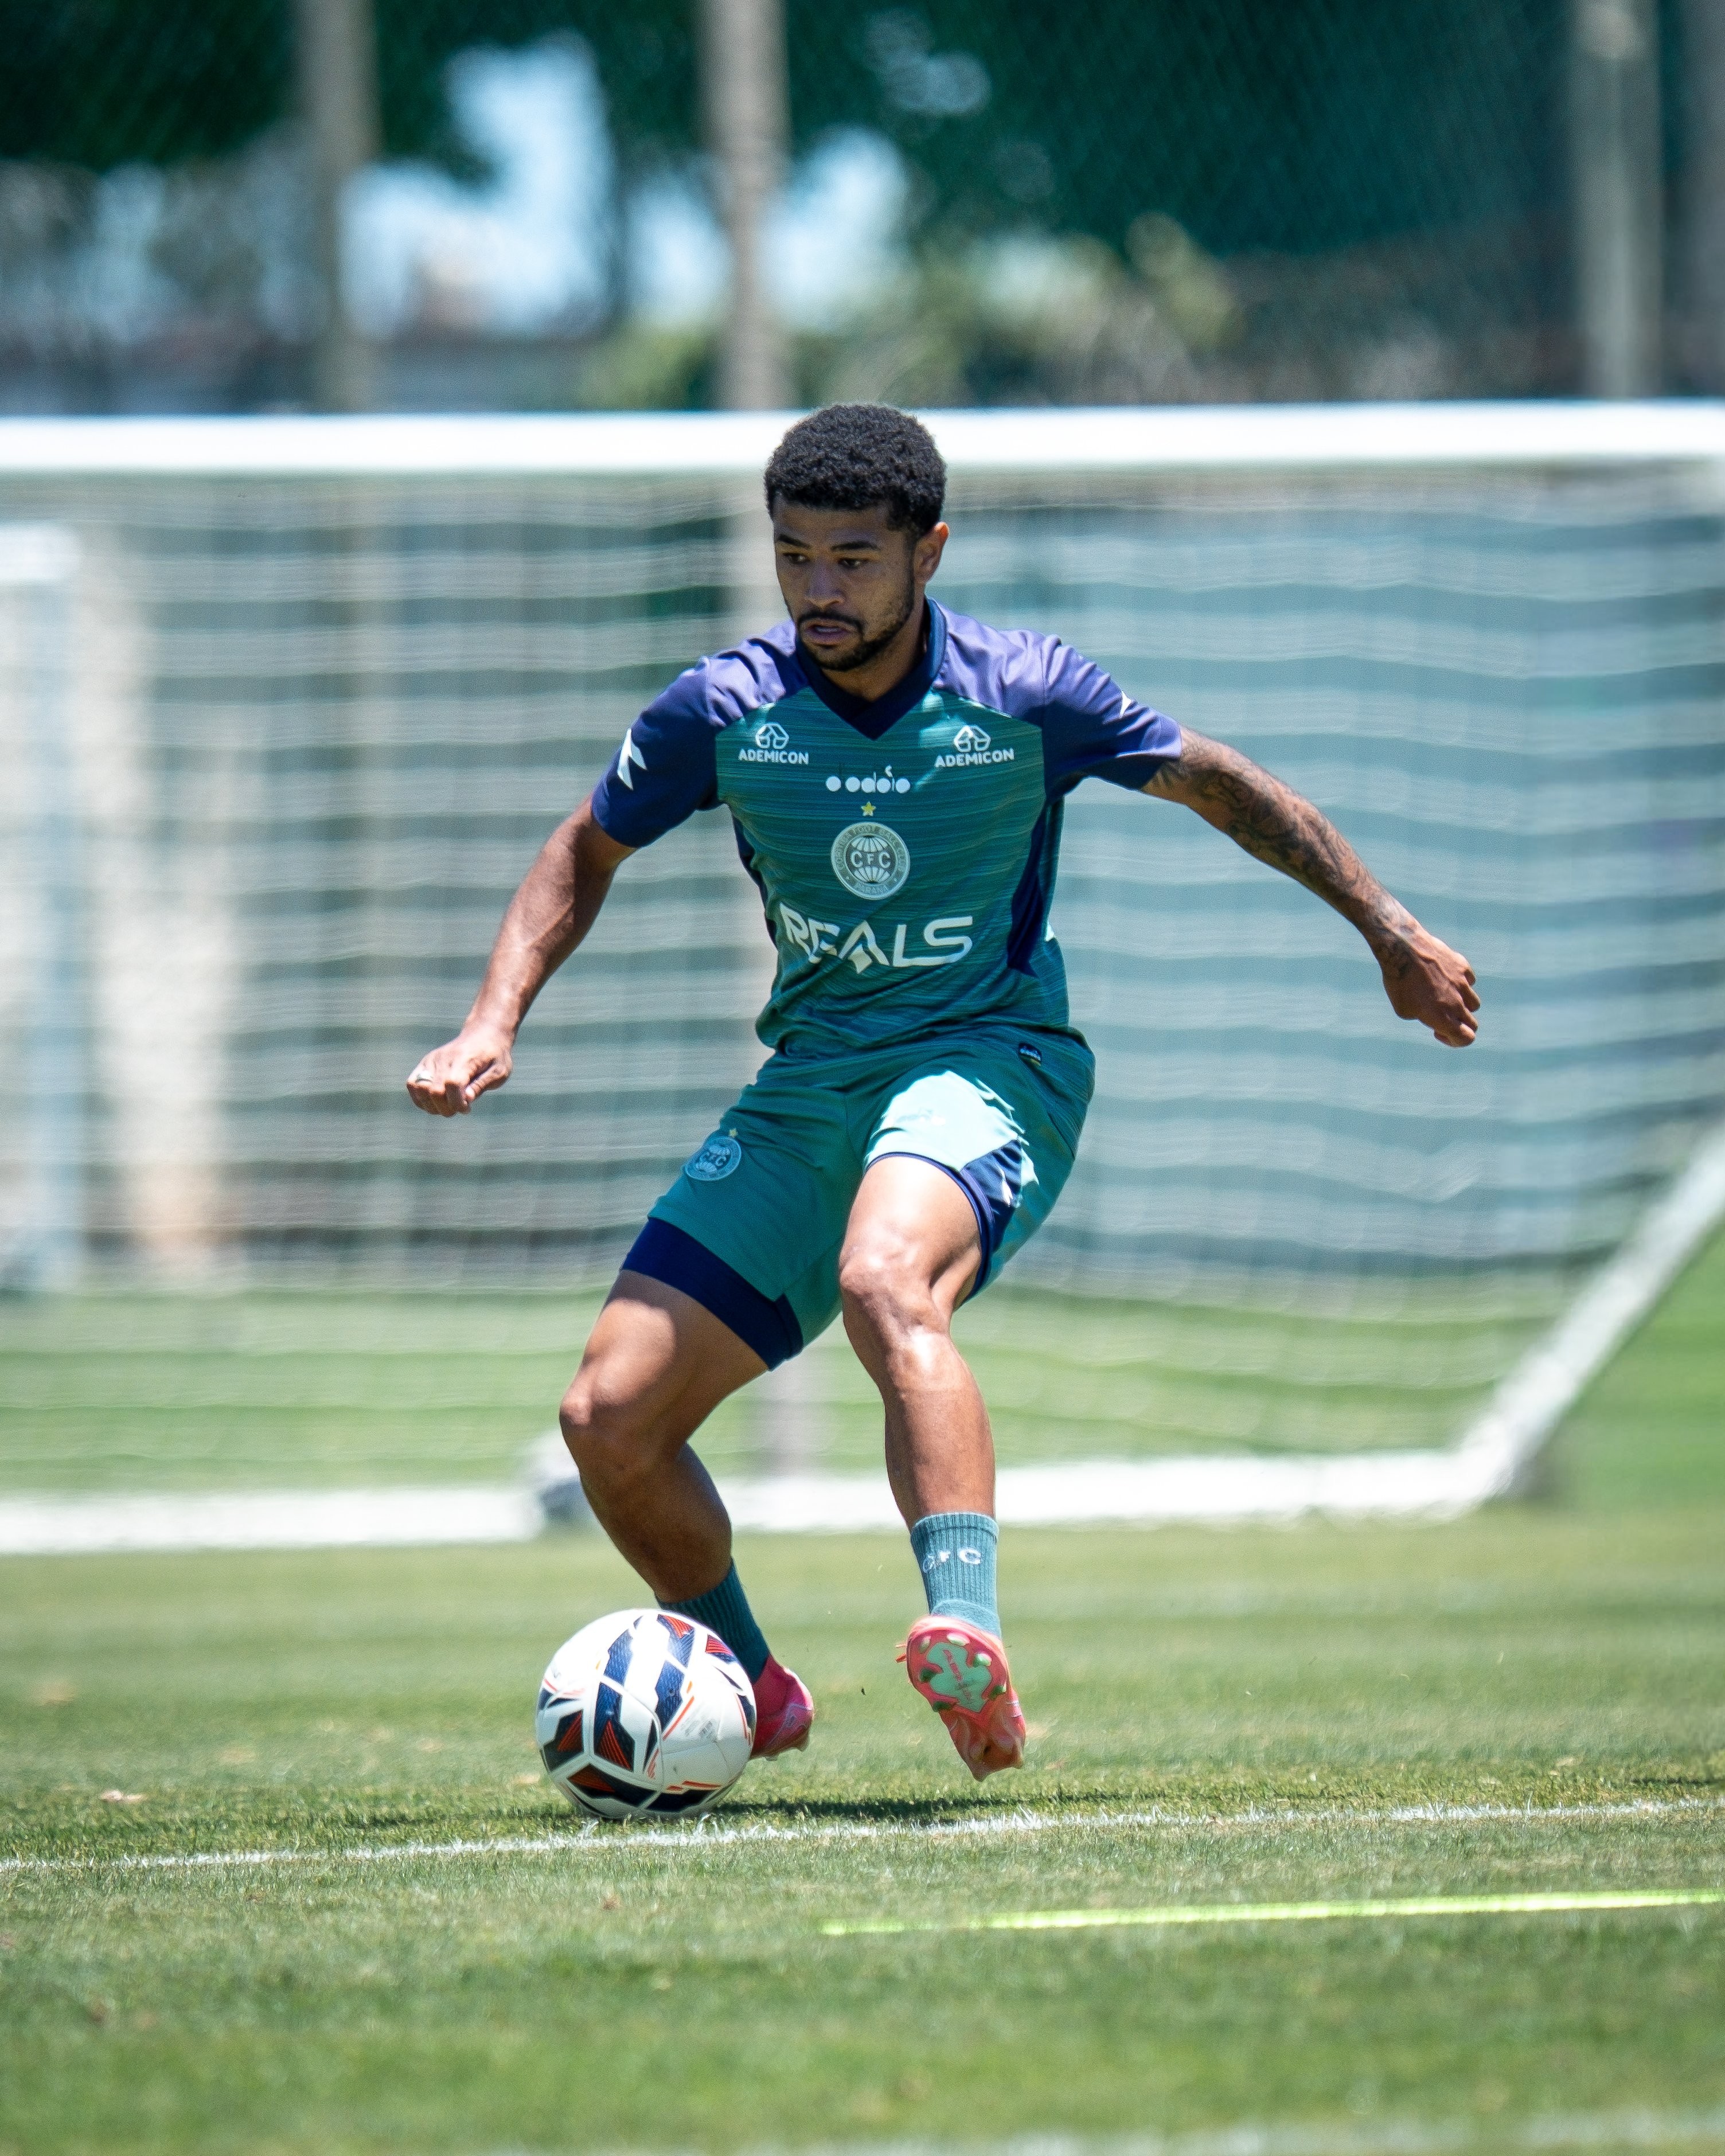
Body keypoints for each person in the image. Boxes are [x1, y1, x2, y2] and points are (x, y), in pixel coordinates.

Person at [407, 403, 1479, 1781]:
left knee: (882, 1276)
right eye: (794, 556)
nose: (818, 590)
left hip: (988, 1061)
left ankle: (964, 1635)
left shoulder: (1024, 692)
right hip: (811, 1085)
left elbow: (1217, 784)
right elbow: (583, 848)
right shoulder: (725, 711)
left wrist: (1385, 929)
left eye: (852, 559)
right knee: (606, 1417)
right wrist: (492, 1017)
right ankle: (753, 1682)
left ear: (930, 551)